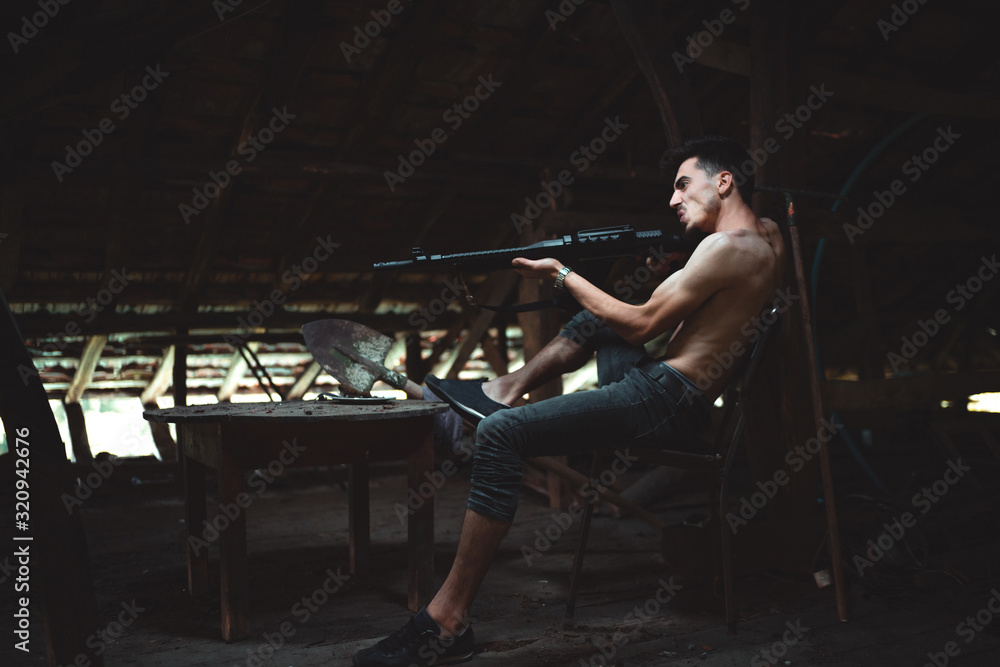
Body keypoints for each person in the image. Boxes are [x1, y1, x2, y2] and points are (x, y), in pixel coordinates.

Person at [352, 135, 786, 667]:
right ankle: (501, 391)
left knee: (500, 434)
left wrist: (561, 273)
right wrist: (677, 264)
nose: (673, 200)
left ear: (724, 181)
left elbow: (645, 322)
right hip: (674, 388)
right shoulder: (767, 240)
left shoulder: (724, 249)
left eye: (682, 183)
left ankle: (446, 621)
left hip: (665, 398)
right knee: (591, 322)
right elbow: (760, 235)